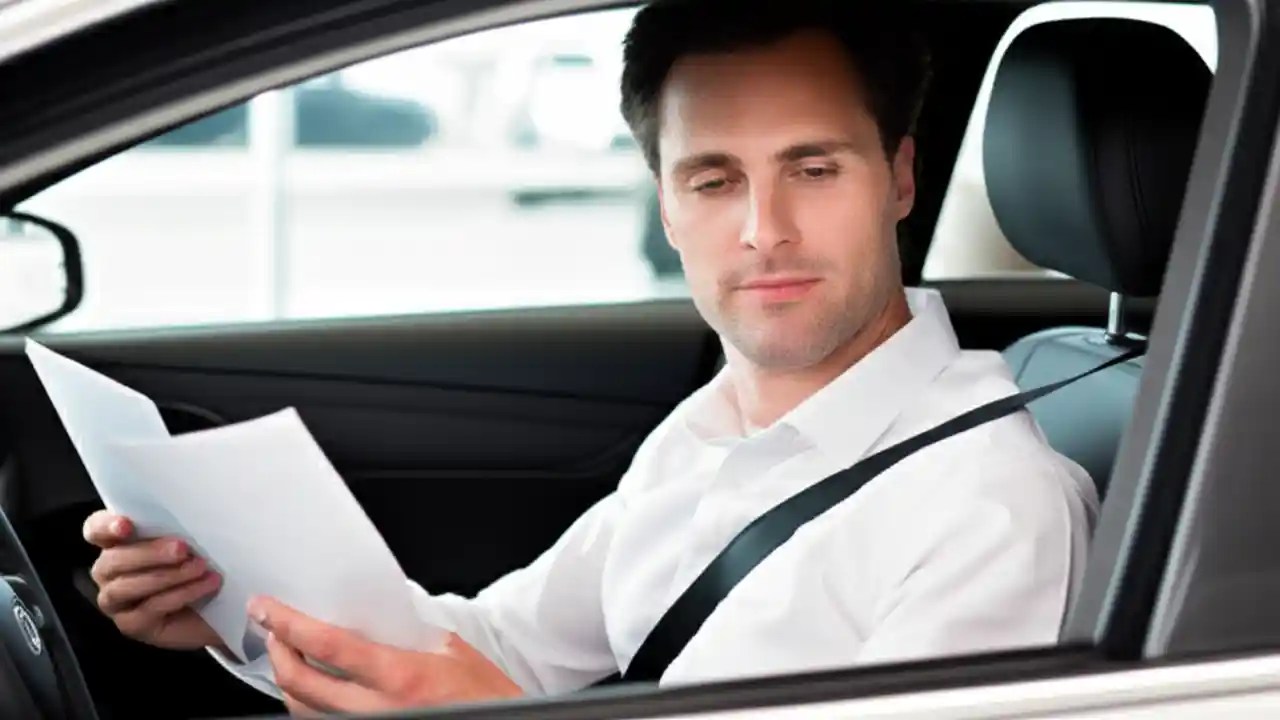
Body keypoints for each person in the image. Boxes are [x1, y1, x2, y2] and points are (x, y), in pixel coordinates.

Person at [81, 0, 1098, 714]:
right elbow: (507, 647)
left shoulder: (989, 507)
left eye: (812, 168)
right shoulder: (714, 428)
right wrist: (238, 614)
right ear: (664, 201)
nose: (762, 229)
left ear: (899, 177)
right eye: (712, 180)